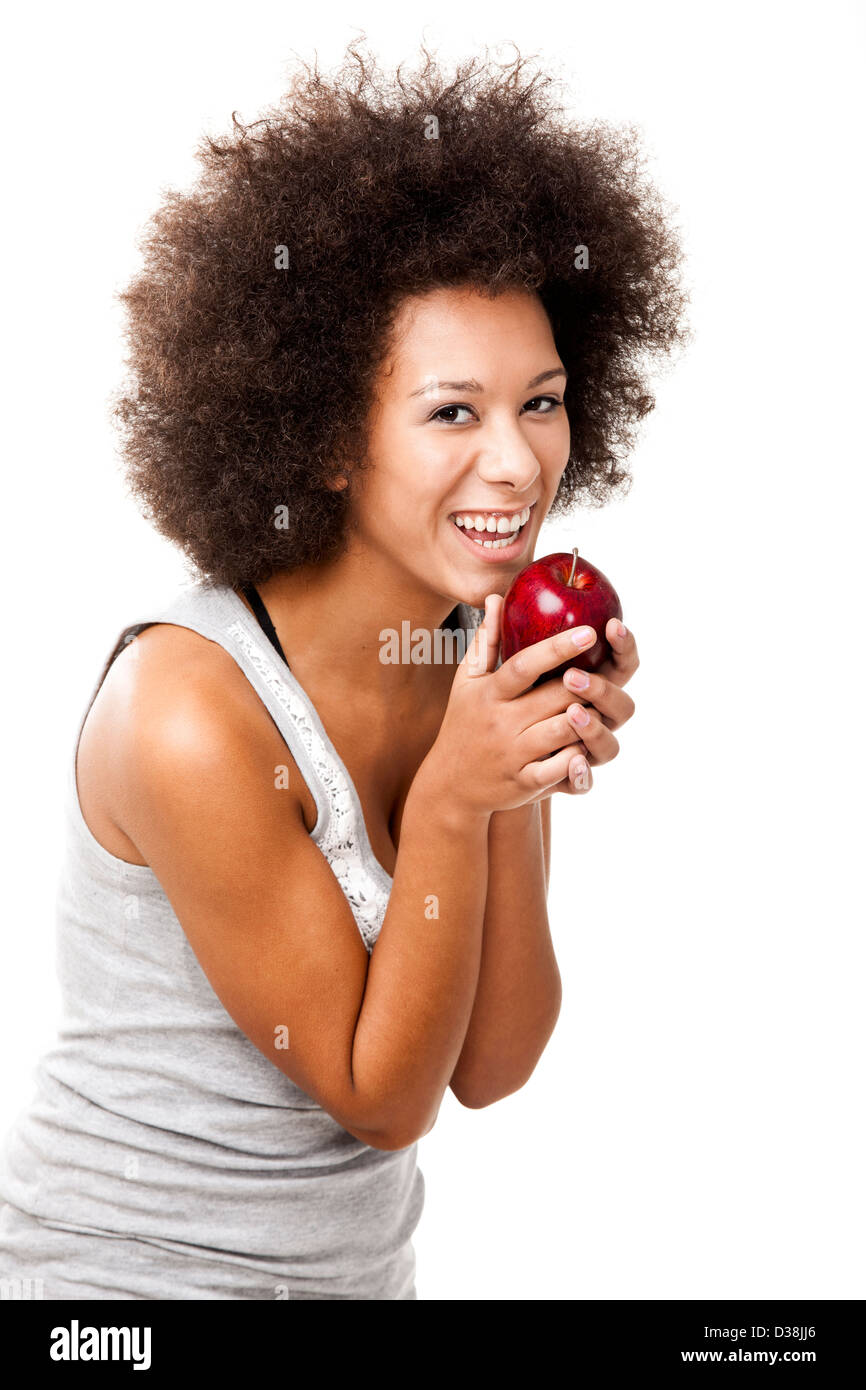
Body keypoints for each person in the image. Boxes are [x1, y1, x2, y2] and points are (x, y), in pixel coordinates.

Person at [0, 42, 687, 1299]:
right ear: (321, 434)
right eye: (450, 412)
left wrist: (514, 766)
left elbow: (488, 1065)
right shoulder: (185, 713)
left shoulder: (457, 652)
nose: (519, 465)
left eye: (540, 401)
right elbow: (381, 1099)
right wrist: (450, 798)